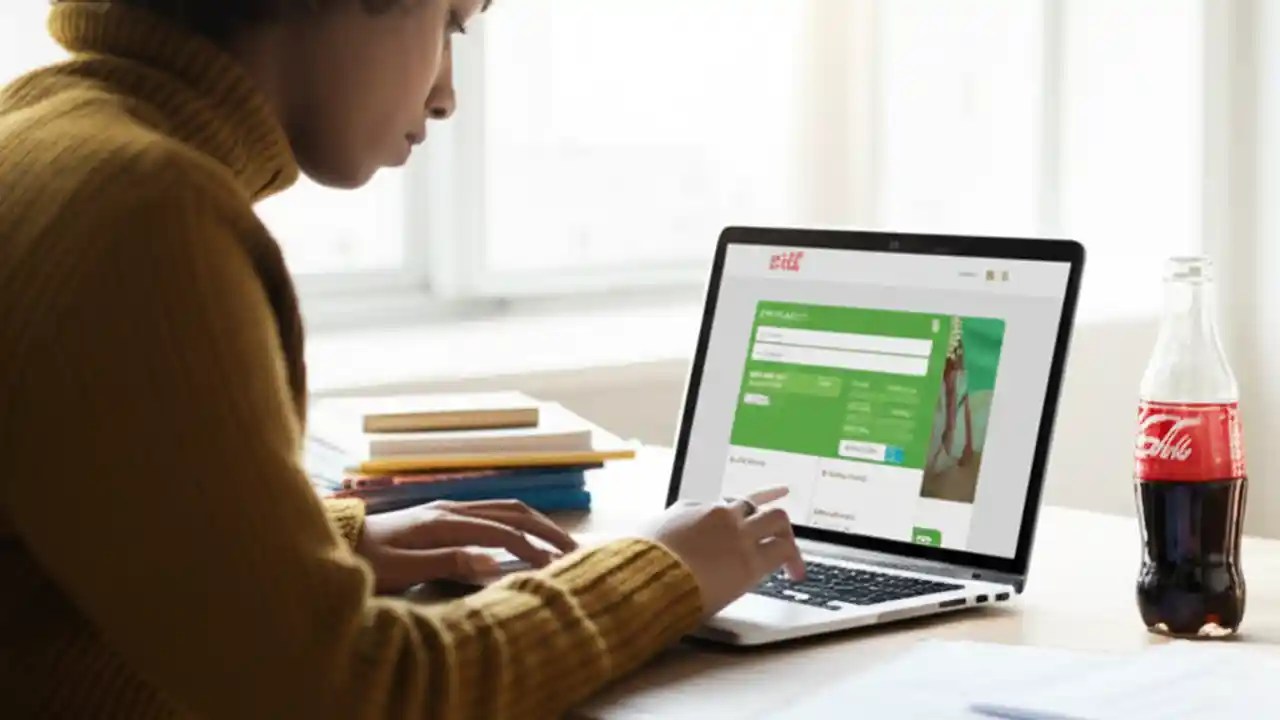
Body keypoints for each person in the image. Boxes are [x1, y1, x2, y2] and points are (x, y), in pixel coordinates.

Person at [0, 1, 804, 717]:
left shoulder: (41, 137)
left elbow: (69, 541)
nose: (447, 94)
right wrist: (657, 571)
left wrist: (325, 547)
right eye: (450, 23)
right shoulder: (148, 213)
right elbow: (362, 693)